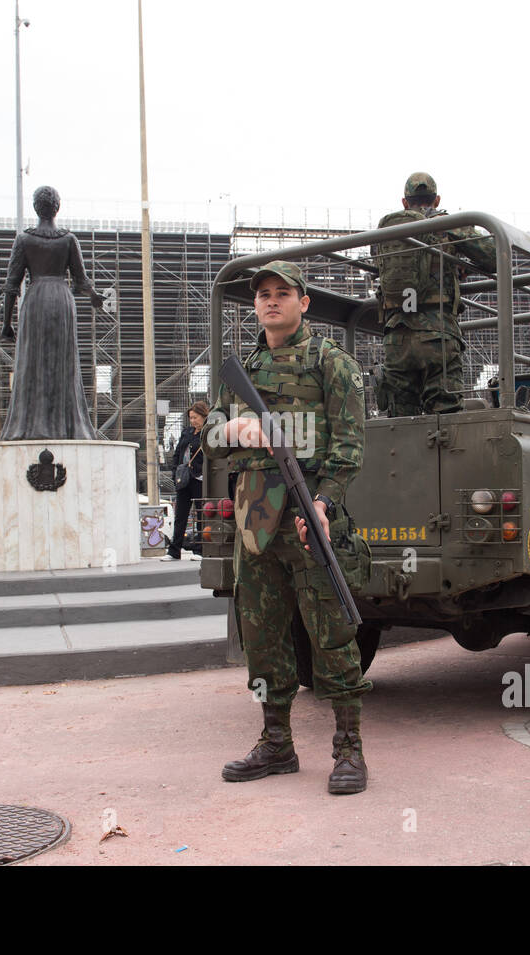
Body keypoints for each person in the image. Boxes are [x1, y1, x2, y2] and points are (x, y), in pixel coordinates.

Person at [204, 261, 372, 795]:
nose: (271, 301)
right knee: (261, 636)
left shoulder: (332, 363)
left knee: (332, 632)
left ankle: (349, 750)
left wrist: (323, 503)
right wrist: (233, 427)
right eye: (263, 295)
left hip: (308, 515)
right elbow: (209, 437)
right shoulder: (245, 367)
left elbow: (349, 448)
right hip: (256, 520)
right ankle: (276, 743)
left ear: (304, 303)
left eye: (283, 293)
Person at [371, 172, 496, 417]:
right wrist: (457, 264)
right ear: (437, 200)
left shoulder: (388, 231)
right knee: (445, 417)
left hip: (396, 336)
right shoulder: (447, 224)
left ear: (405, 203)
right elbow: (492, 256)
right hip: (438, 334)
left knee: (401, 420)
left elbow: (381, 269)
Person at [0, 185, 106, 440]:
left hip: (35, 299)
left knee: (32, 362)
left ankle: (28, 426)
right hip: (60, 299)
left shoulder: (24, 239)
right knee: (63, 364)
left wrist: (6, 323)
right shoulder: (68, 239)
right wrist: (94, 298)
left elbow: (12, 285)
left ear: (36, 208)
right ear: (57, 207)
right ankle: (68, 426)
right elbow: (82, 282)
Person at [163, 401, 208, 561]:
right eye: (191, 418)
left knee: (200, 515)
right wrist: (175, 473)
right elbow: (177, 453)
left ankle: (200, 550)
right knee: (180, 515)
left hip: (199, 478)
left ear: (204, 416)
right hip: (184, 478)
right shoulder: (186, 432)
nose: (193, 421)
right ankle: (174, 551)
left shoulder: (208, 433)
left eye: (196, 417)